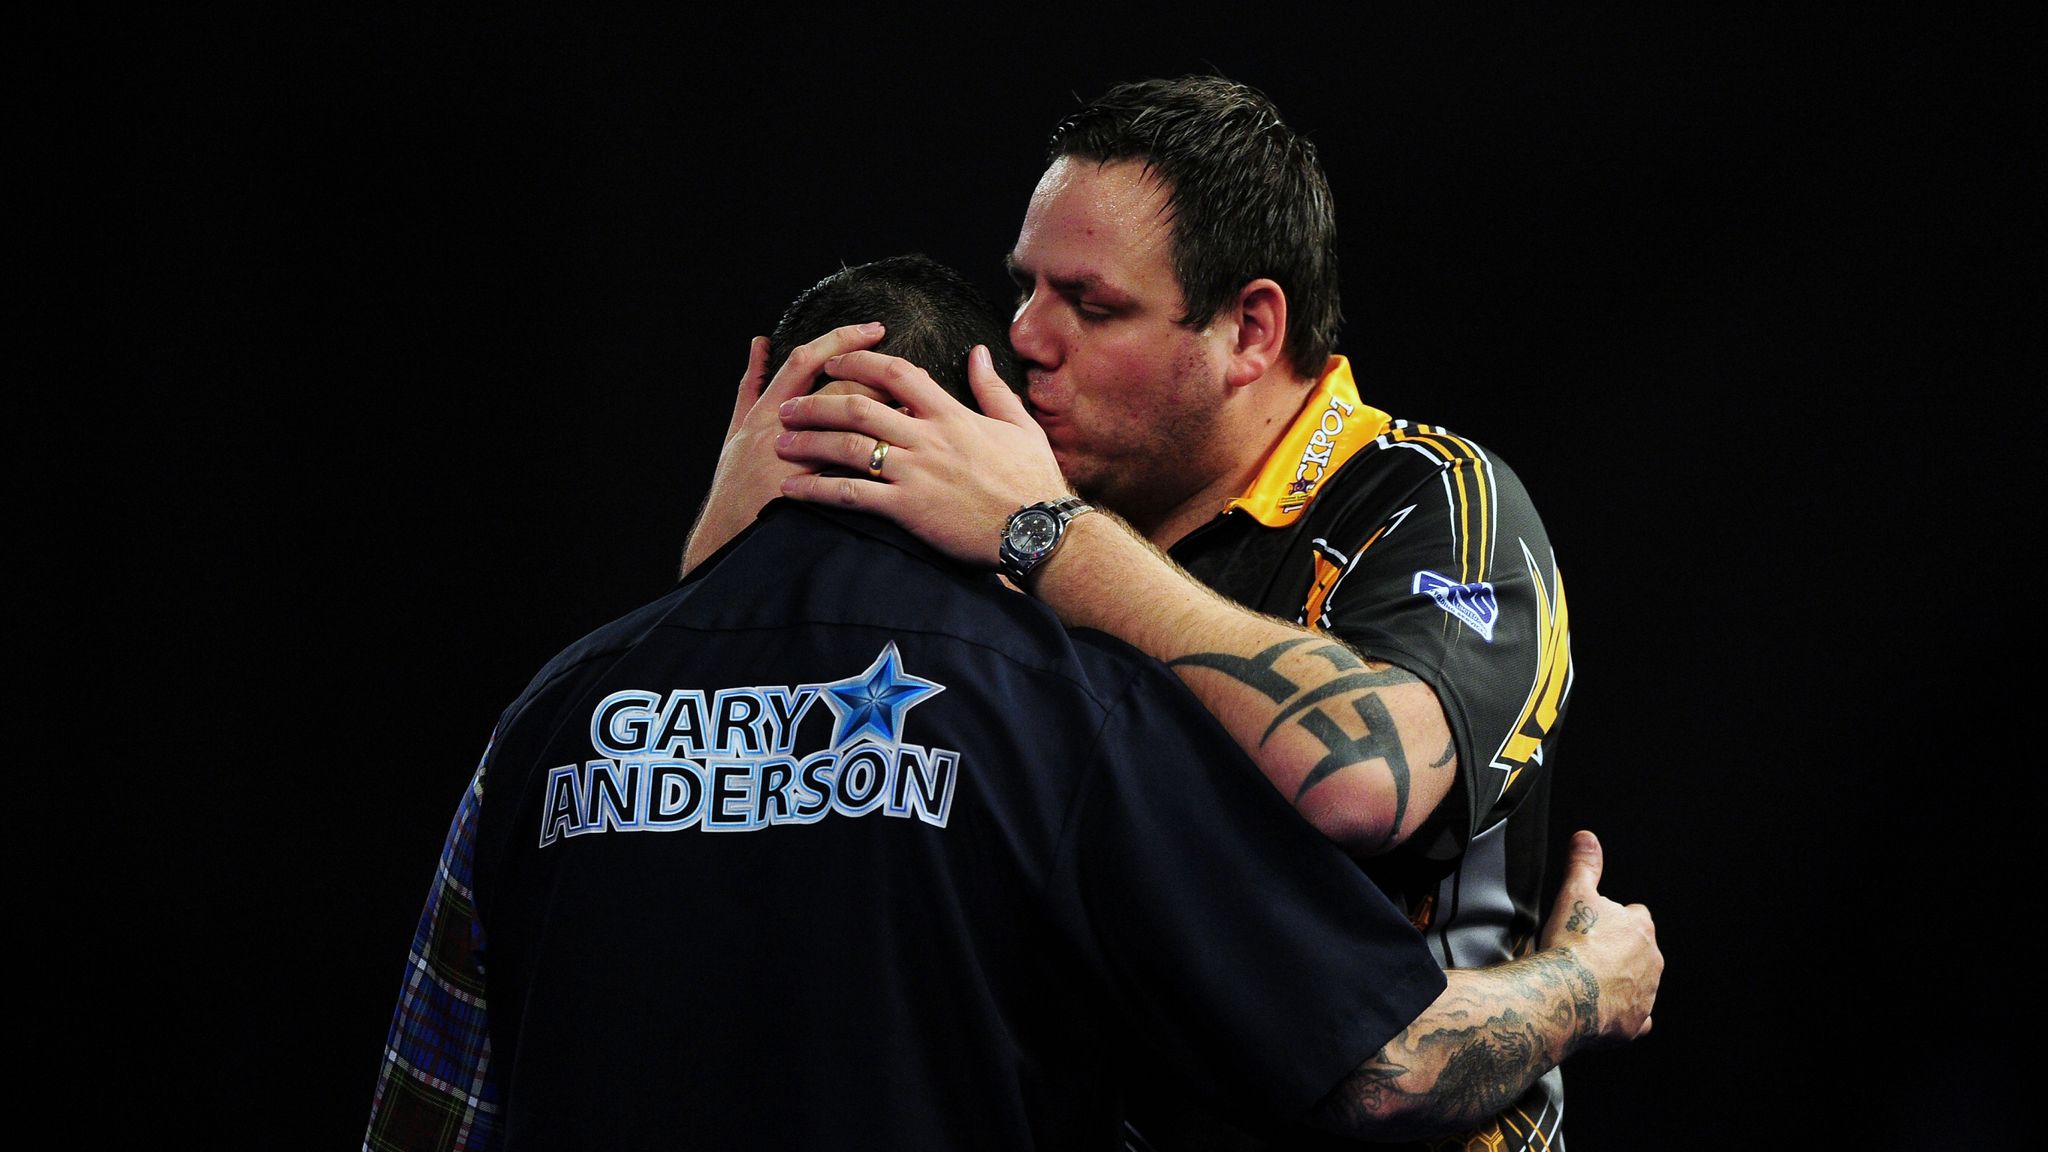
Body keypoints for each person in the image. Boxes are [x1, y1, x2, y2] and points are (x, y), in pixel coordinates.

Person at [366, 255, 1659, 1151]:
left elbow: (425, 1114)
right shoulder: (1070, 708)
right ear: (986, 414)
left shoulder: (545, 722)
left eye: (1089, 299)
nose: (1048, 339)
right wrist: (1586, 986)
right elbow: (1383, 1067)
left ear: (756, 395)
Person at [773, 77, 1587, 1151]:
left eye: (1090, 304)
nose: (1023, 336)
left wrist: (1046, 535)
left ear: (1249, 329)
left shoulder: (1426, 498)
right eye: (1024, 288)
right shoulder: (1013, 513)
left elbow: (1367, 774)